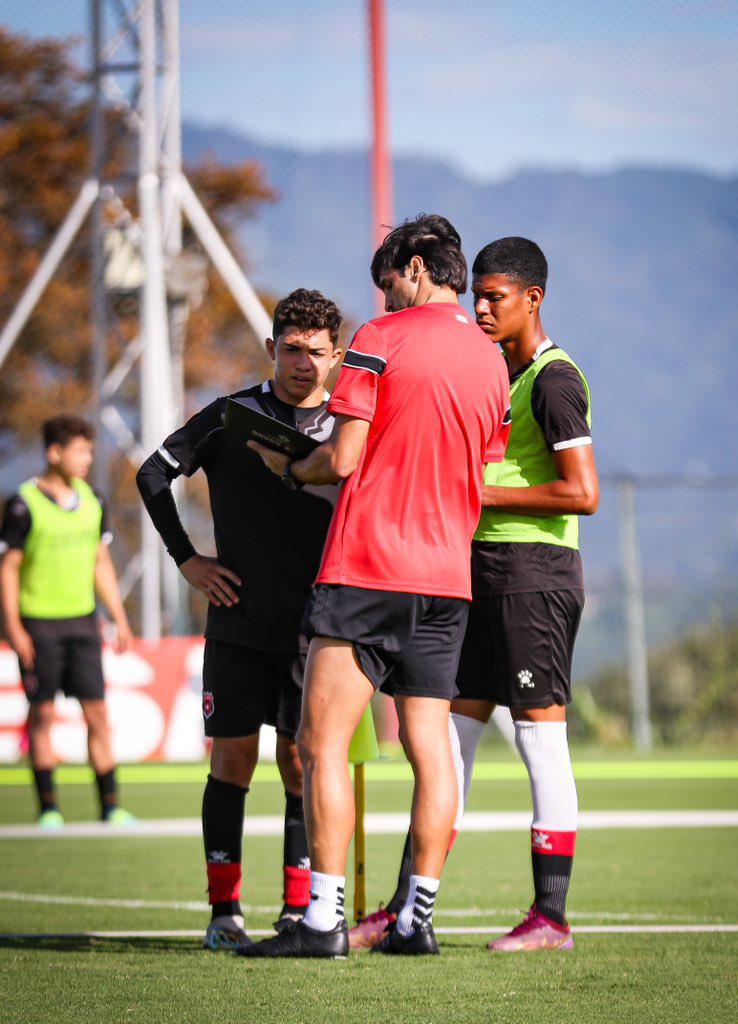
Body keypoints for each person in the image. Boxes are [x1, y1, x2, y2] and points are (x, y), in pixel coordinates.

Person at [238, 214, 510, 959]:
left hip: (365, 571)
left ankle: (323, 923)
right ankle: (416, 919)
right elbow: (479, 470)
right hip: (446, 581)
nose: (385, 300)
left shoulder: (382, 338)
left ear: (415, 268)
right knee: (434, 752)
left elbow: (344, 457)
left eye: (388, 284)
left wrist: (290, 466)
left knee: (319, 745)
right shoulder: (493, 359)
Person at [350, 236, 598, 953]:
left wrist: (471, 488)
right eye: (477, 295)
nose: (480, 308)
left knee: (539, 742)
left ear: (533, 299)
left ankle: (550, 917)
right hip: (474, 576)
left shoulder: (554, 380)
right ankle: (405, 909)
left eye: (495, 297)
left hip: (534, 580)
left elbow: (583, 494)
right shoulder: (493, 372)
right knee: (446, 749)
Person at [136, 288, 343, 951]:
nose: (303, 362)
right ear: (271, 349)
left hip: (318, 630)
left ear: (336, 354)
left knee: (302, 765)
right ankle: (224, 913)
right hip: (237, 623)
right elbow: (151, 475)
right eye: (291, 349)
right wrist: (187, 559)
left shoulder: (349, 427)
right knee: (232, 763)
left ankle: (295, 911)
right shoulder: (234, 416)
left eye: (316, 351)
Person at [0, 415, 135, 828]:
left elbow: (100, 563)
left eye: (90, 451)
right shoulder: (23, 504)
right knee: (40, 715)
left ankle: (110, 806)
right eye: (80, 450)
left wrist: (119, 618)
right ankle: (48, 808)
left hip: (83, 624)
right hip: (38, 624)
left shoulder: (94, 500)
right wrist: (15, 629)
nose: (87, 459)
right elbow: (8, 569)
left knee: (97, 713)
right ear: (54, 452)